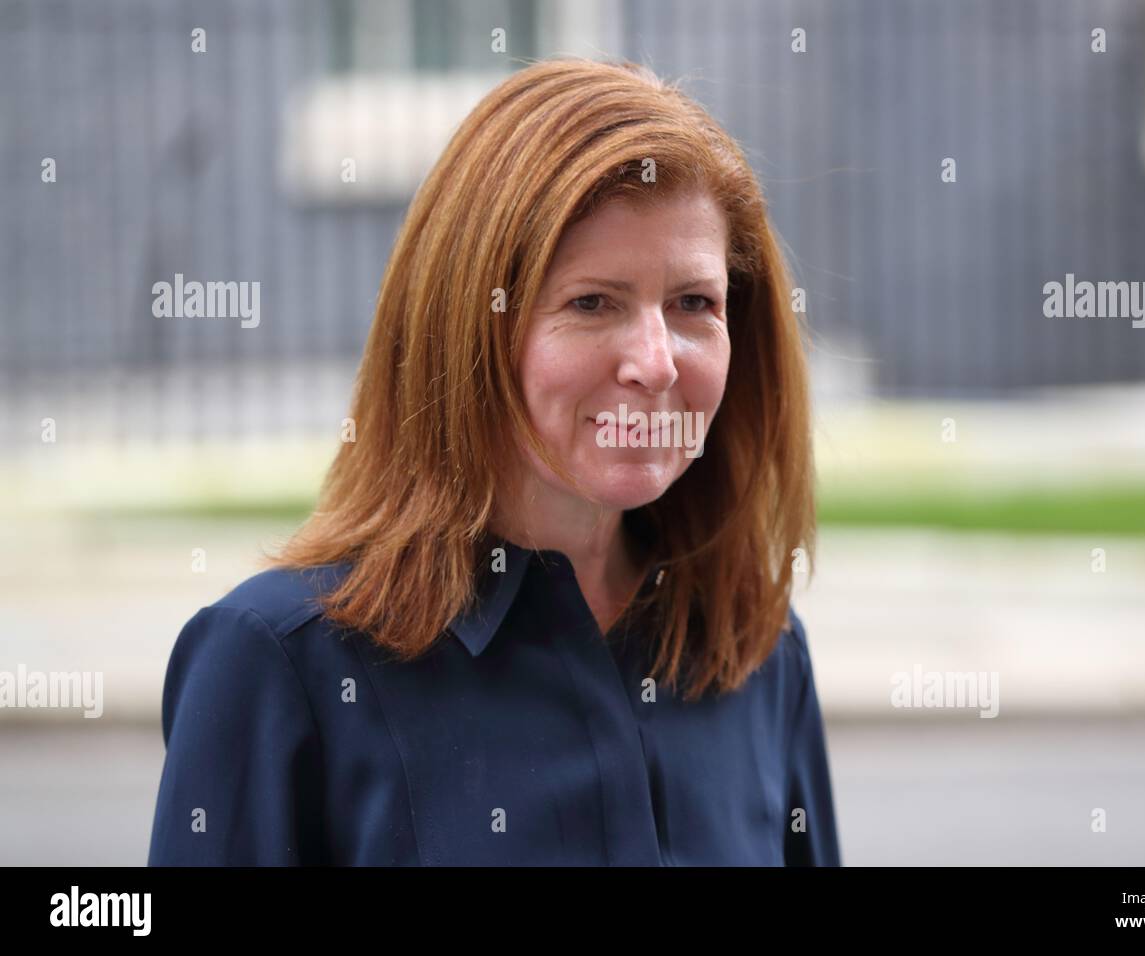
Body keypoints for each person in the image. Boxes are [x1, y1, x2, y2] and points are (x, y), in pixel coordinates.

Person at [147, 57, 840, 866]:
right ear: (468, 329)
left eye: (694, 304)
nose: (656, 363)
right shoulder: (276, 664)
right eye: (591, 303)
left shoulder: (756, 649)